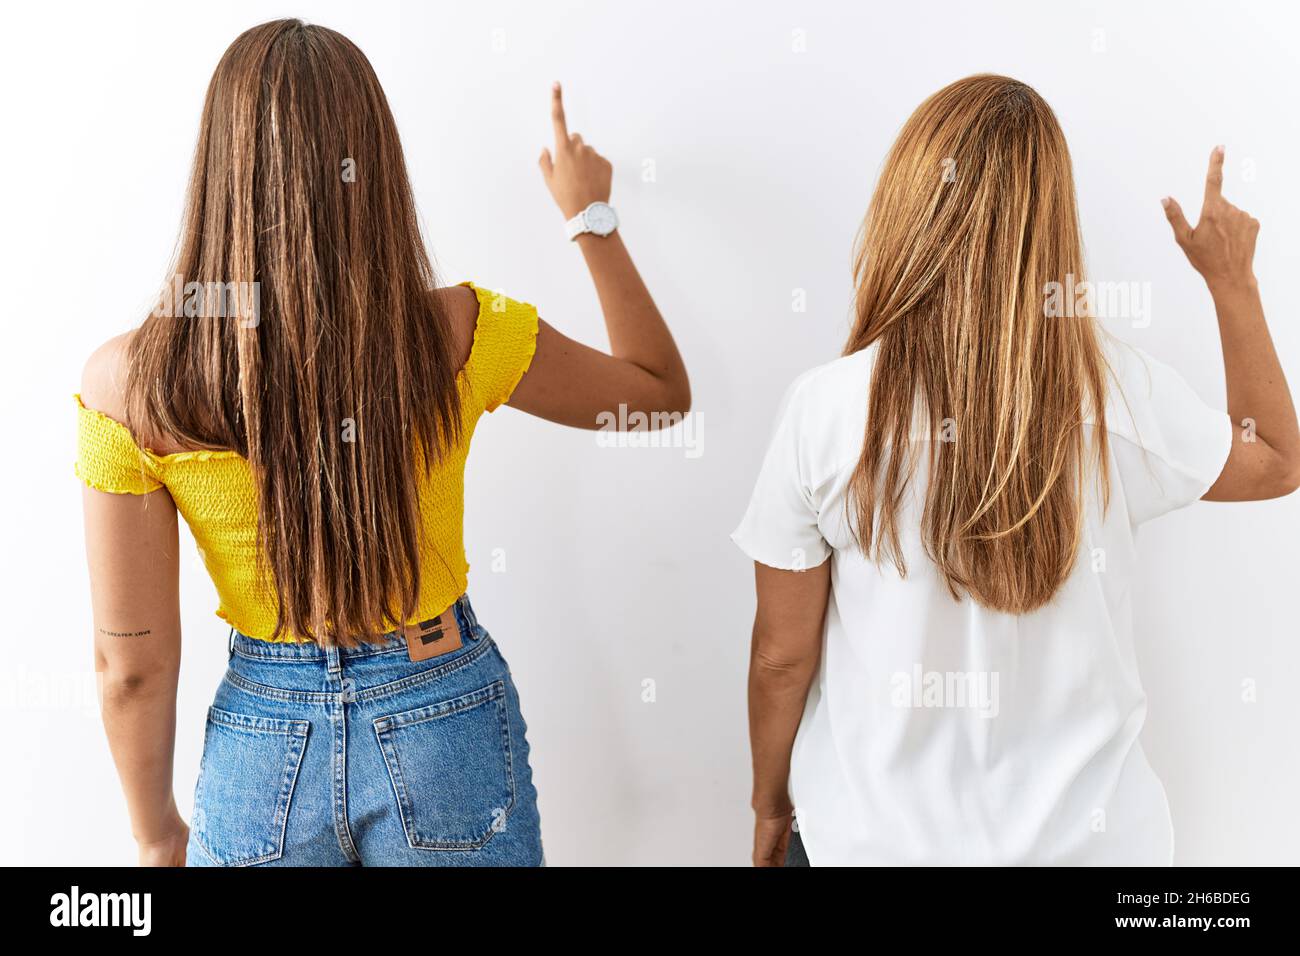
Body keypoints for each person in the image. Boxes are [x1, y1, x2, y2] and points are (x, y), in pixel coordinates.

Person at [77, 19, 688, 867]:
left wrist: (153, 834)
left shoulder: (130, 387)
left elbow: (130, 668)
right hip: (445, 719)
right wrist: (592, 216)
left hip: (262, 749)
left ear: (219, 170)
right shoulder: (463, 333)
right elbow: (657, 396)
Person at [734, 74, 1298, 866]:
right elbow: (1274, 461)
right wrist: (1232, 283)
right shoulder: (1119, 394)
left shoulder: (826, 409)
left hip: (868, 846)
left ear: (906, 203)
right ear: (1052, 224)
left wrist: (769, 804)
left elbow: (780, 656)